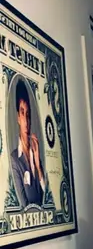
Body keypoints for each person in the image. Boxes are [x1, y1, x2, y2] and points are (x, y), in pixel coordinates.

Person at [10, 78, 45, 207]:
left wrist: (38, 166)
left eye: (28, 114)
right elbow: (23, 205)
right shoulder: (15, 159)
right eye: (22, 112)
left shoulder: (35, 155)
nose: (26, 119)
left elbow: (45, 195)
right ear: (18, 117)